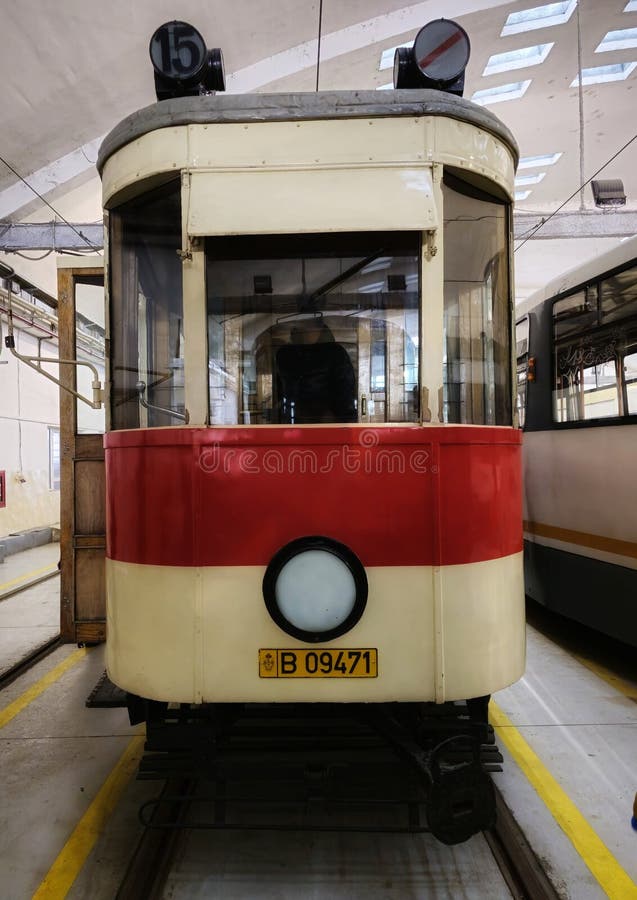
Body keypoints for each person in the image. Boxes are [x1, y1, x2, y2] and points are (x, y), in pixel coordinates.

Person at [276, 318, 357, 424]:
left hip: (327, 423)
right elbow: (280, 390)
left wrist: (340, 418)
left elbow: (346, 392)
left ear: (321, 329)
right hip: (292, 420)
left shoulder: (336, 353)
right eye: (303, 325)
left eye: (312, 326)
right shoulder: (285, 354)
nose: (308, 331)